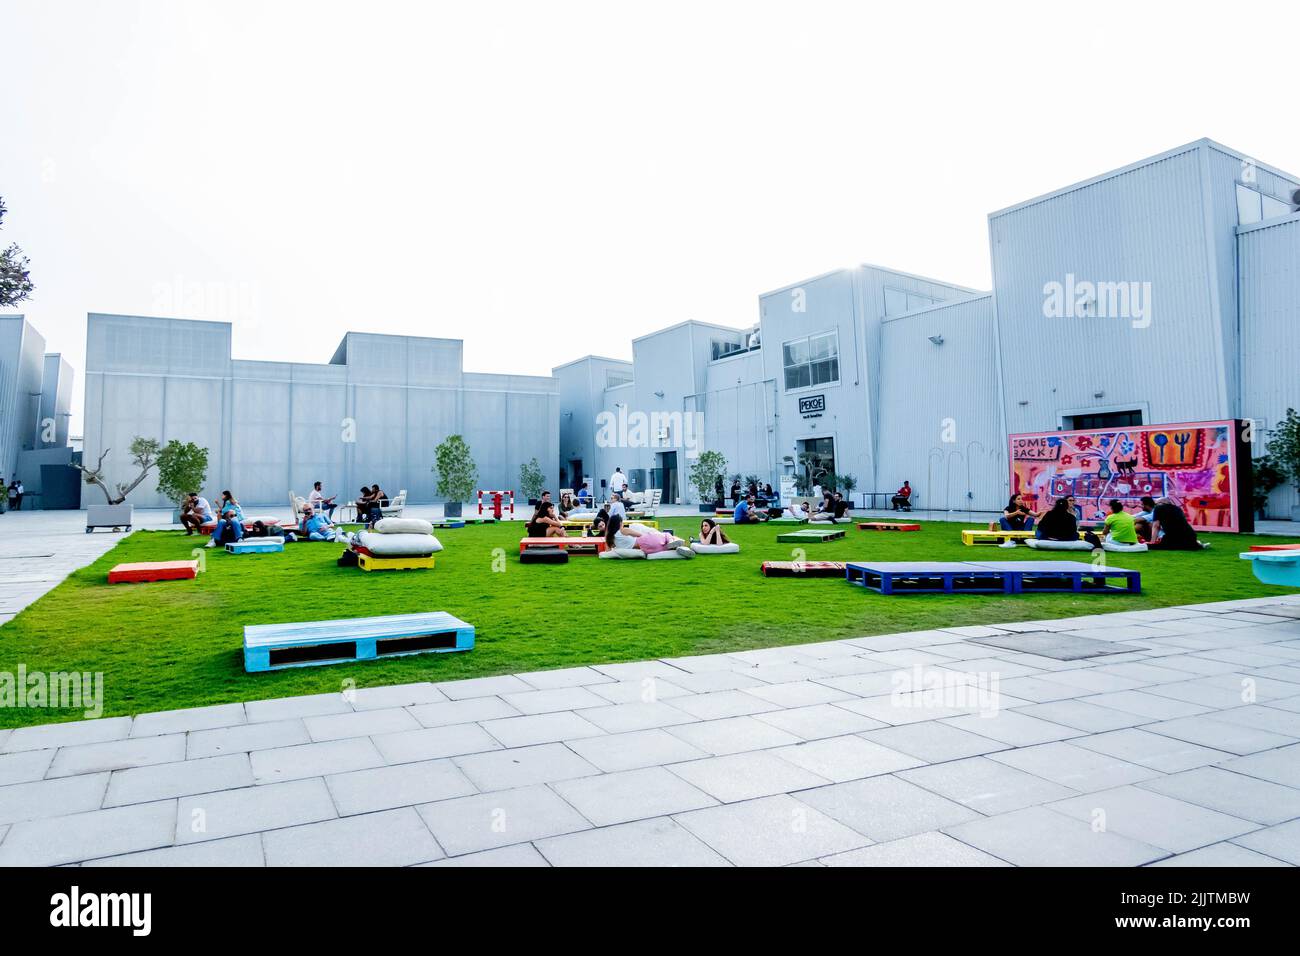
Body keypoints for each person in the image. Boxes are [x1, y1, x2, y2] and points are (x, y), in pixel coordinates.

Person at [1035, 497, 1100, 548]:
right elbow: (1073, 531)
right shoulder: (1071, 517)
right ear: (1066, 507)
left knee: (1038, 531)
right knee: (1076, 534)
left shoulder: (1049, 514)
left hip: (1048, 536)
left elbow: (1040, 526)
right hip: (1065, 538)